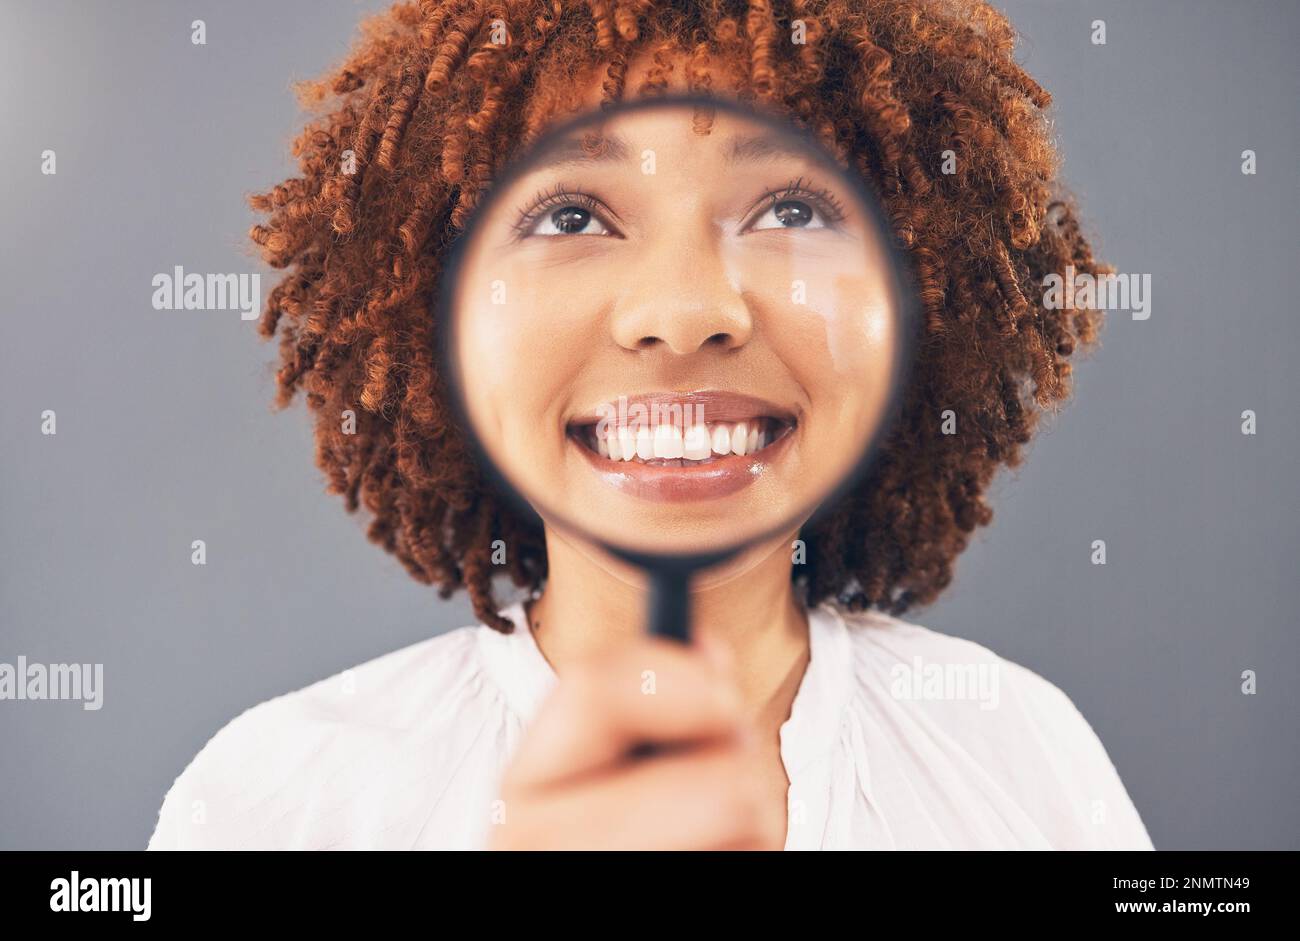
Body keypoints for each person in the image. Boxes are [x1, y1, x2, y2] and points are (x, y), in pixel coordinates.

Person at [147, 0, 1153, 851]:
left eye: (790, 211)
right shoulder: (274, 802)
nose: (682, 310)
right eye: (572, 217)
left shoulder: (1022, 756)